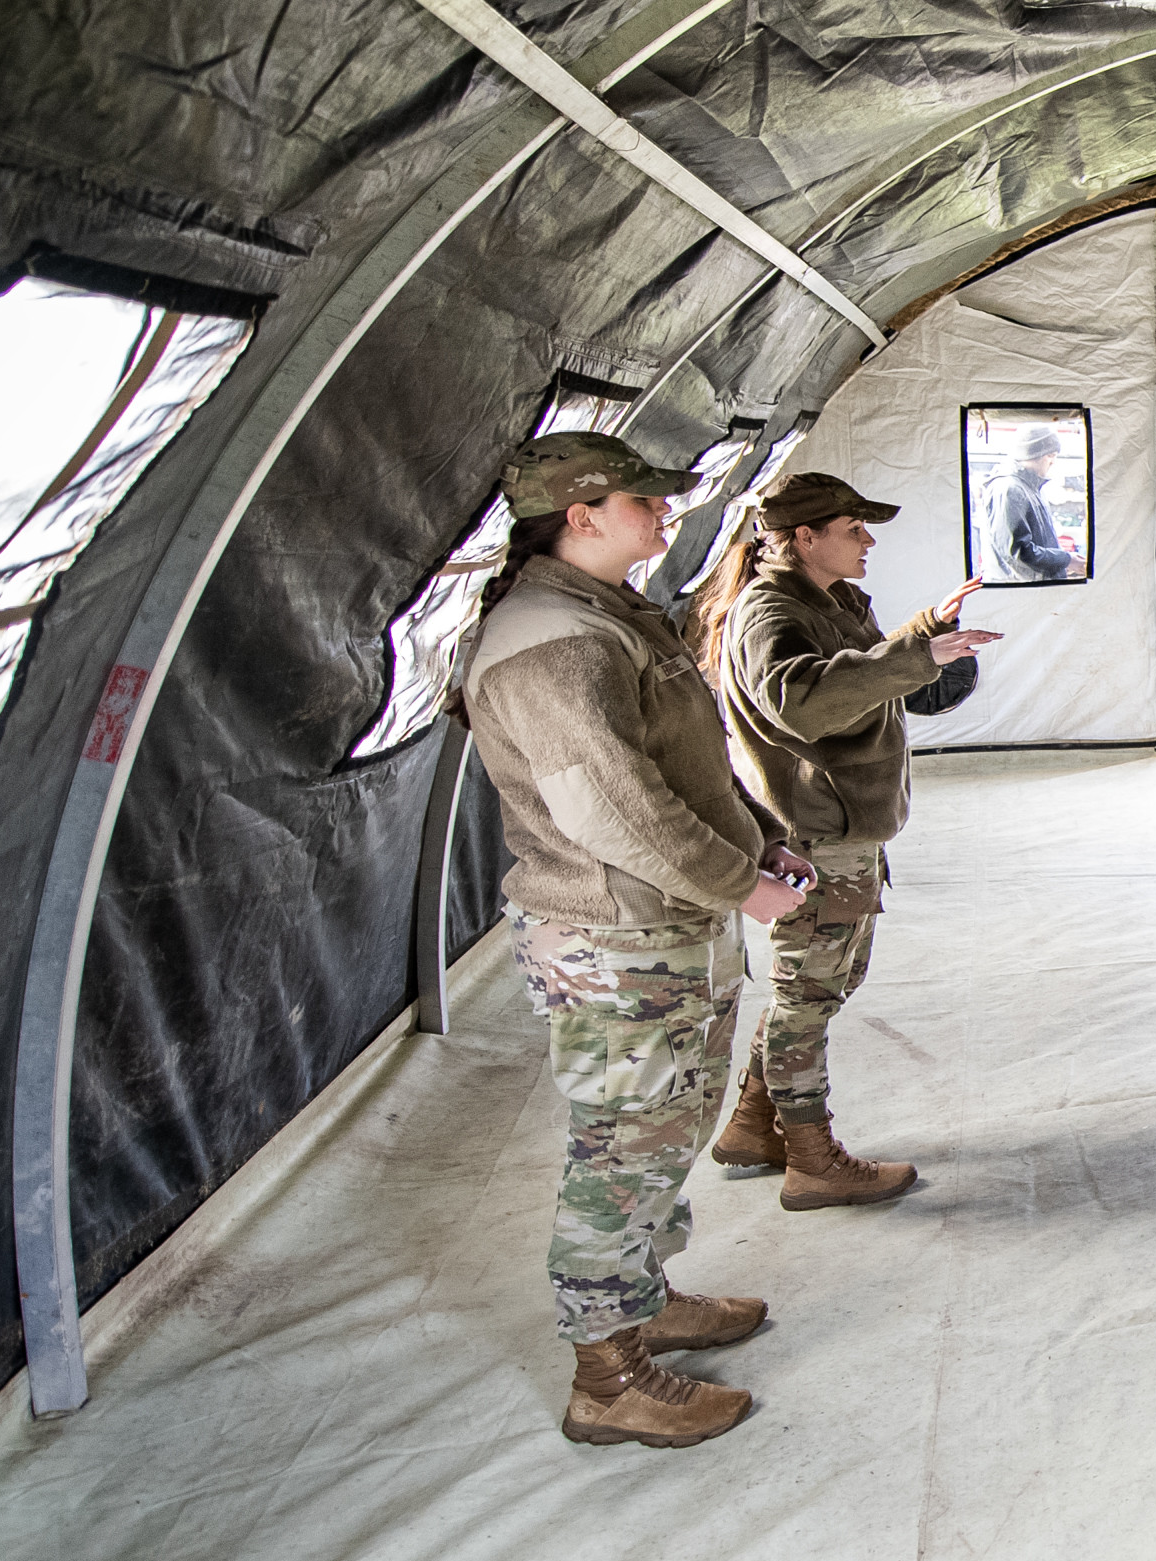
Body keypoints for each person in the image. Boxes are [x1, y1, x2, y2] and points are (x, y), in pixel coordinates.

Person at [457, 433, 798, 1449]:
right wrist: (741, 883)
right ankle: (607, 1376)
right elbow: (611, 808)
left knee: (665, 1129)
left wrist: (758, 839)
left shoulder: (604, 612)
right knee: (621, 1148)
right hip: (617, 941)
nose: (663, 514)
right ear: (581, 515)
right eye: (642, 501)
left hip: (660, 928)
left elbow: (683, 763)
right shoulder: (548, 639)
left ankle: (641, 1301)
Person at [702, 469, 998, 1212]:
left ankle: (753, 1127)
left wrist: (926, 633)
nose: (868, 541)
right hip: (816, 836)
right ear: (804, 537)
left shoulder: (826, 599)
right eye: (853, 528)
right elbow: (803, 701)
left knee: (815, 984)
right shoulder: (769, 610)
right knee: (808, 994)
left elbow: (859, 673)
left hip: (840, 828)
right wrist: (919, 655)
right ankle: (812, 1160)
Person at [981, 426, 1083, 581]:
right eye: (1050, 455)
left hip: (1030, 587)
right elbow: (1017, 553)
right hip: (1017, 589)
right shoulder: (1009, 489)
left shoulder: (1031, 488)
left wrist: (1062, 562)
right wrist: (1066, 560)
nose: (1053, 462)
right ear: (1033, 454)